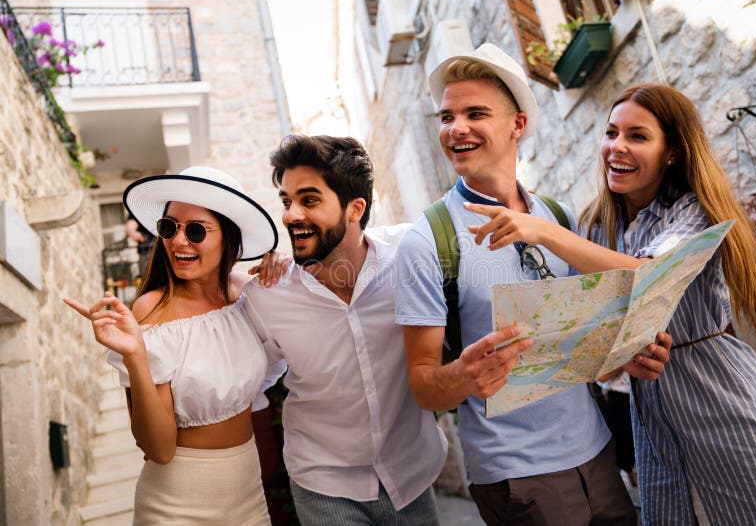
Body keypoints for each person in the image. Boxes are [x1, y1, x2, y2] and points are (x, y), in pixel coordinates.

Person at [464, 83, 756, 524]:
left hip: (724, 398)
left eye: (637, 136)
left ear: (672, 153)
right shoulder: (596, 226)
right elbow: (601, 344)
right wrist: (624, 358)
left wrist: (543, 231)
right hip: (655, 419)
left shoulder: (693, 209)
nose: (616, 147)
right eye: (610, 133)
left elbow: (645, 275)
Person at [394, 43, 672, 526]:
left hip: (597, 450)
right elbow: (424, 387)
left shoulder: (556, 216)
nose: (455, 128)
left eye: (475, 113)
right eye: (446, 117)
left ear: (517, 125)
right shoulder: (425, 242)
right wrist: (462, 375)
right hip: (517, 476)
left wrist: (626, 351)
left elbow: (585, 344)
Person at [243, 134, 449, 526]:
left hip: (412, 477)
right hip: (324, 487)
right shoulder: (269, 296)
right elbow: (252, 387)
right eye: (287, 202)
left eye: (309, 200)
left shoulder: (409, 253)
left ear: (355, 208)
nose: (289, 215)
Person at [64, 166, 282, 525]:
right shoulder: (151, 309)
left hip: (249, 493)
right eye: (169, 227)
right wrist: (134, 357)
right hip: (176, 504)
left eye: (195, 230)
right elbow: (159, 448)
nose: (179, 241)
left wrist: (284, 273)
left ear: (228, 236)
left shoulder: (248, 295)